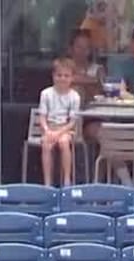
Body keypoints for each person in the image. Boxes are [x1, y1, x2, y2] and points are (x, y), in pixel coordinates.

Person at [38, 58, 82, 187]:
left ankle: (67, 180)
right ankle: (47, 182)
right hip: (50, 127)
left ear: (72, 78)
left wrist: (59, 133)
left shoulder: (75, 96)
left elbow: (72, 121)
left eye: (66, 76)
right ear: (53, 76)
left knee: (63, 142)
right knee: (46, 144)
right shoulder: (45, 94)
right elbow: (42, 117)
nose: (62, 79)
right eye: (59, 75)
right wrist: (47, 131)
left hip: (66, 128)